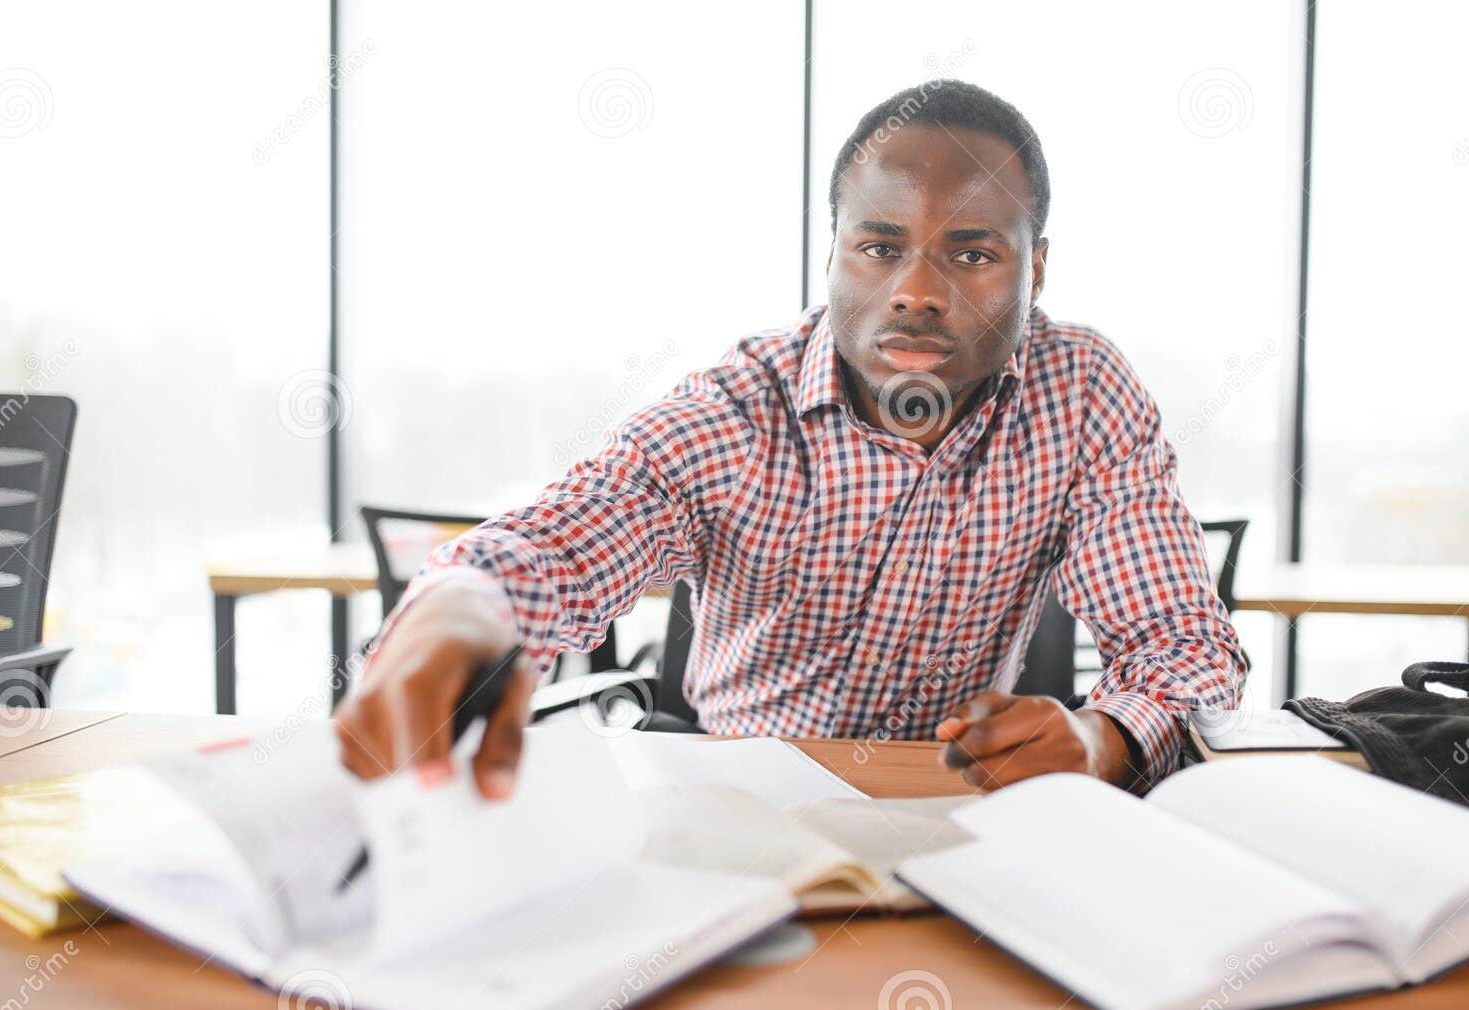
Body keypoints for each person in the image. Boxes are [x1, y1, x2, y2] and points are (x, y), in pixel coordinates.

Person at [335, 79, 1246, 801]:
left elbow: (1183, 643)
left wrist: (1102, 734)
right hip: (740, 800)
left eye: (972, 255)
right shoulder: (741, 407)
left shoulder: (1080, 389)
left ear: (1035, 268)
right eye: (880, 248)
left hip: (960, 811)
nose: (916, 291)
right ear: (833, 250)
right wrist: (465, 607)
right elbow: (563, 540)